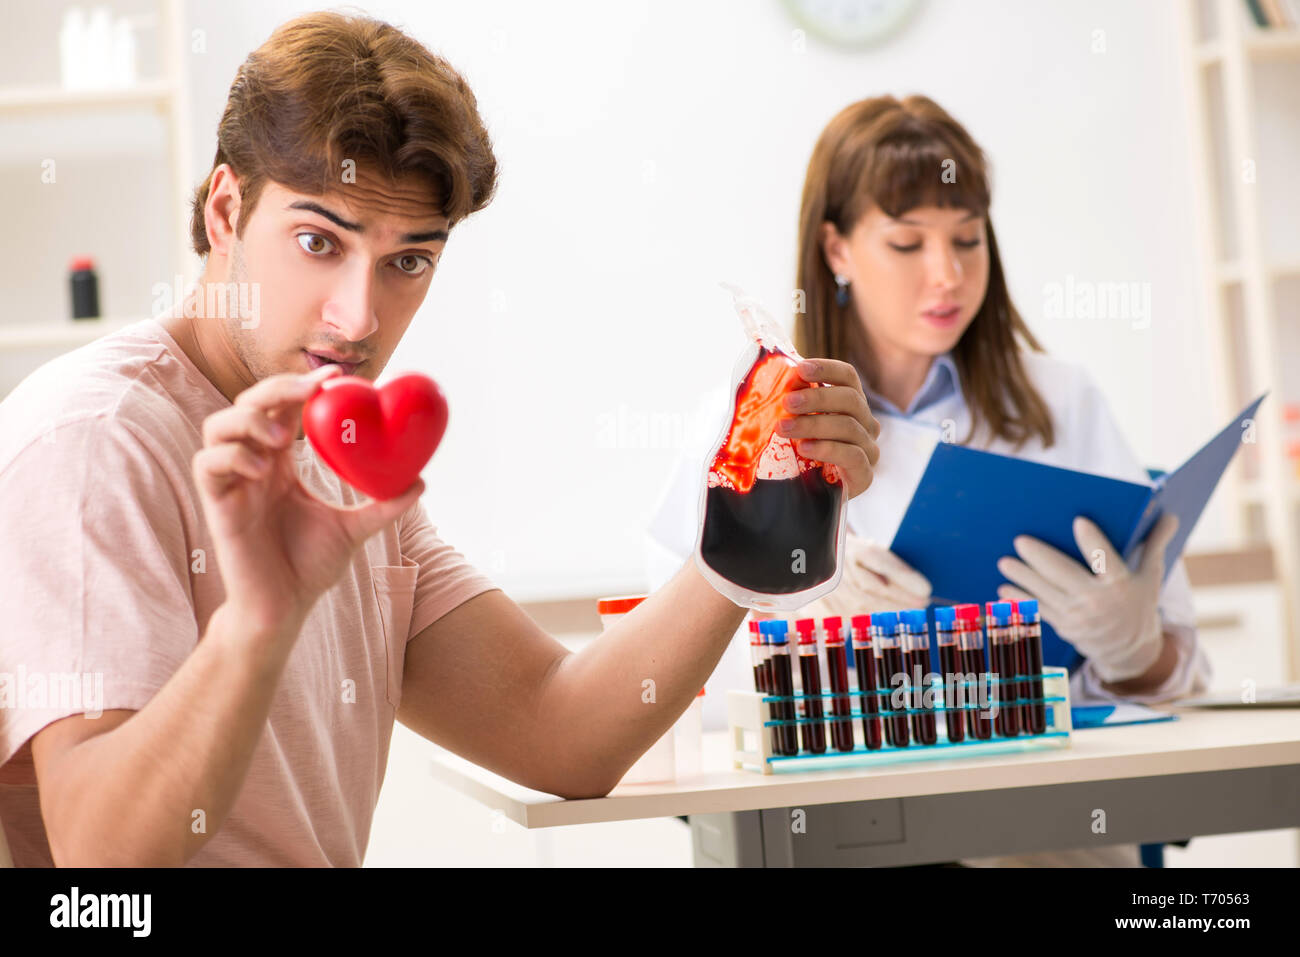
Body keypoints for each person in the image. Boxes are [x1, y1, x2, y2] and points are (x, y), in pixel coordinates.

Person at [0, 12, 881, 867]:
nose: (358, 316)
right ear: (227, 209)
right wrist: (257, 625)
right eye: (318, 241)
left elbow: (556, 731)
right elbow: (100, 859)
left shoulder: (340, 455)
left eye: (407, 261)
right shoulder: (98, 439)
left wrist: (747, 542)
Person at [644, 94, 1211, 867]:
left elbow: (1179, 682)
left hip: (1040, 831)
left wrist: (1133, 643)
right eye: (908, 243)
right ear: (836, 250)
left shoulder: (1062, 400)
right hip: (842, 828)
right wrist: (801, 631)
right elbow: (663, 685)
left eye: (968, 240)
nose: (947, 275)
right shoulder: (750, 413)